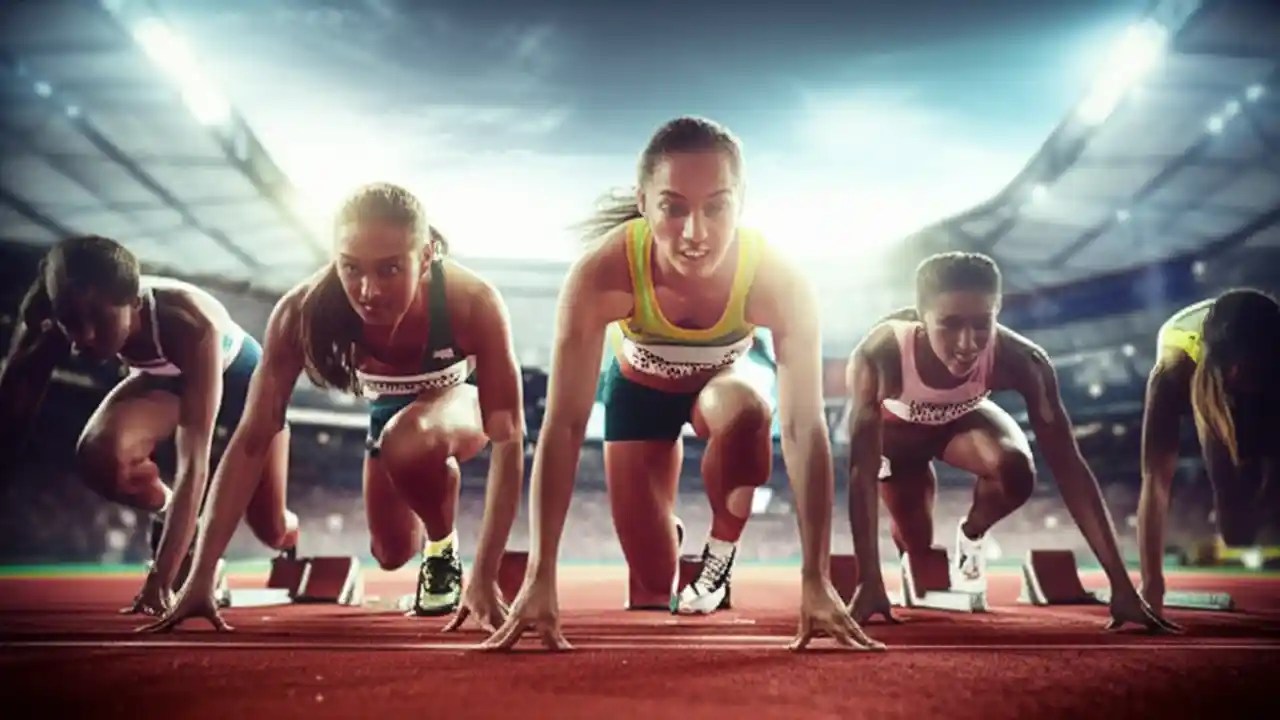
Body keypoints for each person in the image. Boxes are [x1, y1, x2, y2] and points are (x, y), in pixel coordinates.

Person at [483, 116, 881, 651]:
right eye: (673, 208)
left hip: (720, 386)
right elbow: (565, 425)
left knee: (750, 411)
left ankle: (719, 554)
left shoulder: (778, 281)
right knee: (653, 577)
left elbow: (804, 428)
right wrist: (540, 576)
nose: (696, 234)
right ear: (643, 203)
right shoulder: (603, 273)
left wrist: (816, 579)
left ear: (741, 202)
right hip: (637, 395)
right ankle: (664, 539)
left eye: (716, 207)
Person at [142, 182, 526, 632]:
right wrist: (201, 576)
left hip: (461, 401)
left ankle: (442, 549)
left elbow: (508, 437)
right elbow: (251, 440)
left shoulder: (471, 301)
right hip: (386, 415)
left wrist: (485, 574)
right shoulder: (300, 312)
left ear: (425, 257)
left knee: (410, 440)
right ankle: (427, 489)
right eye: (351, 268)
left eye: (390, 269)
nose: (369, 291)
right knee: (390, 553)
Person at [843, 251, 1174, 632]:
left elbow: (1069, 467)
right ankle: (911, 559)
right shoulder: (879, 356)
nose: (968, 344)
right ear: (921, 317)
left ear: (997, 311)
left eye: (982, 324)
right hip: (899, 444)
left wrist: (1121, 584)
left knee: (1016, 471)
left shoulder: (1023, 360)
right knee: (917, 542)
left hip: (959, 423)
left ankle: (972, 536)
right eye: (950, 325)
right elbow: (861, 471)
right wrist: (869, 579)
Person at [0, 235, 297, 615]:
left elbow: (194, 466)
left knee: (270, 528)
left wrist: (161, 580)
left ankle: (291, 537)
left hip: (247, 386)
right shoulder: (49, 313)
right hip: (167, 378)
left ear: (135, 303)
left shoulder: (190, 324)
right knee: (100, 457)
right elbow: (9, 418)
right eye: (70, 322)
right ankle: (170, 515)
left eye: (100, 321)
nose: (81, 339)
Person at [1138, 289, 1279, 614]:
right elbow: (1155, 480)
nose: (1243, 381)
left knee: (1268, 487)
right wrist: (1151, 583)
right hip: (1204, 382)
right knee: (1233, 523)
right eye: (1238, 373)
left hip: (1260, 388)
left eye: (1252, 372)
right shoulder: (1175, 367)